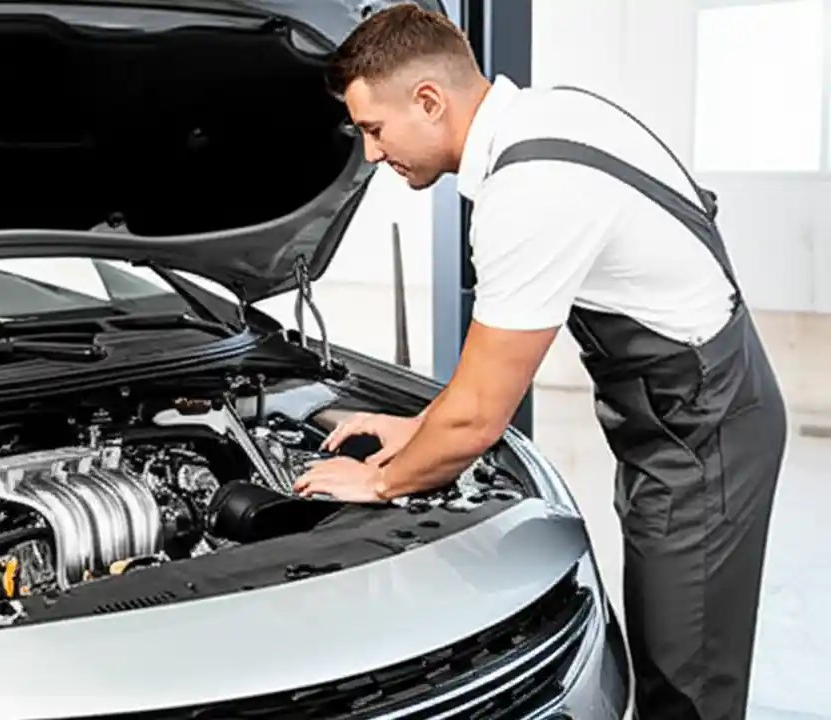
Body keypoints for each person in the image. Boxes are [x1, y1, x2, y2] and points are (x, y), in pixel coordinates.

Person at [292, 6, 786, 720]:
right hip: (690, 408)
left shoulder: (529, 192)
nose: (370, 154)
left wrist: (379, 481)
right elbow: (478, 383)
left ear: (428, 100)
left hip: (702, 433)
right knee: (672, 651)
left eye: (374, 129)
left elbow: (477, 419)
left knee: (687, 684)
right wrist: (420, 427)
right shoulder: (553, 115)